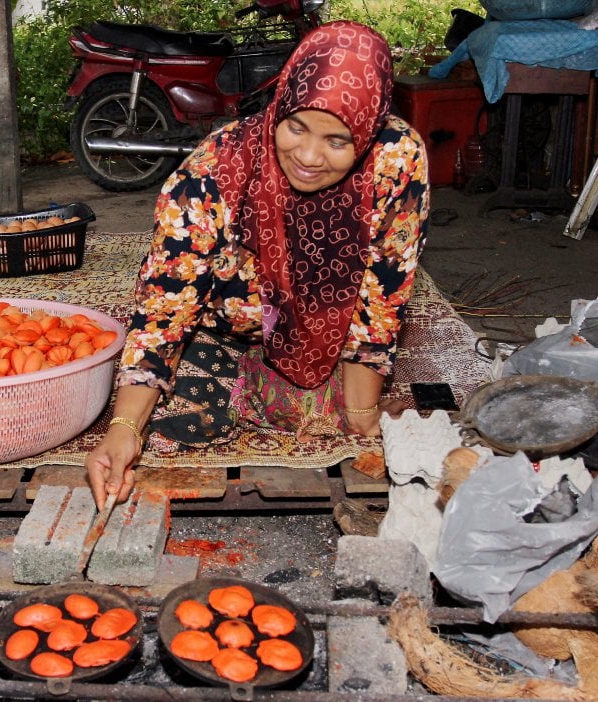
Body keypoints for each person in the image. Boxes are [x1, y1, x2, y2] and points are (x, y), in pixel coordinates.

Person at [86, 21, 430, 510]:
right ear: (281, 105)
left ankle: (289, 379)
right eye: (296, 127)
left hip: (328, 317)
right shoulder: (215, 169)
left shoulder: (396, 158)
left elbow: (383, 293)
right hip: (229, 319)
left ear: (370, 128)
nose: (309, 157)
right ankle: (250, 370)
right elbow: (167, 305)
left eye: (338, 141)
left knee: (351, 407)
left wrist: (361, 412)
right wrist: (123, 430)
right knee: (181, 420)